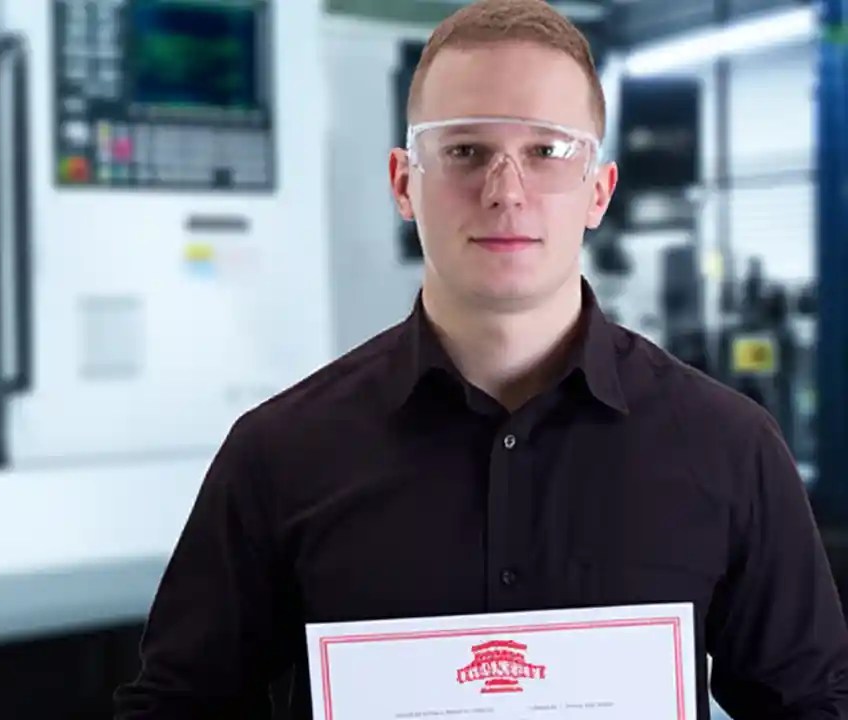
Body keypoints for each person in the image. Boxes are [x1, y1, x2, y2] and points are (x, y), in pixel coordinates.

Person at [113, 0, 848, 717]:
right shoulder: (278, 457)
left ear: (600, 191)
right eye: (465, 151)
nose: (505, 191)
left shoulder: (730, 450)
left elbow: (812, 705)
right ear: (404, 182)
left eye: (546, 152)